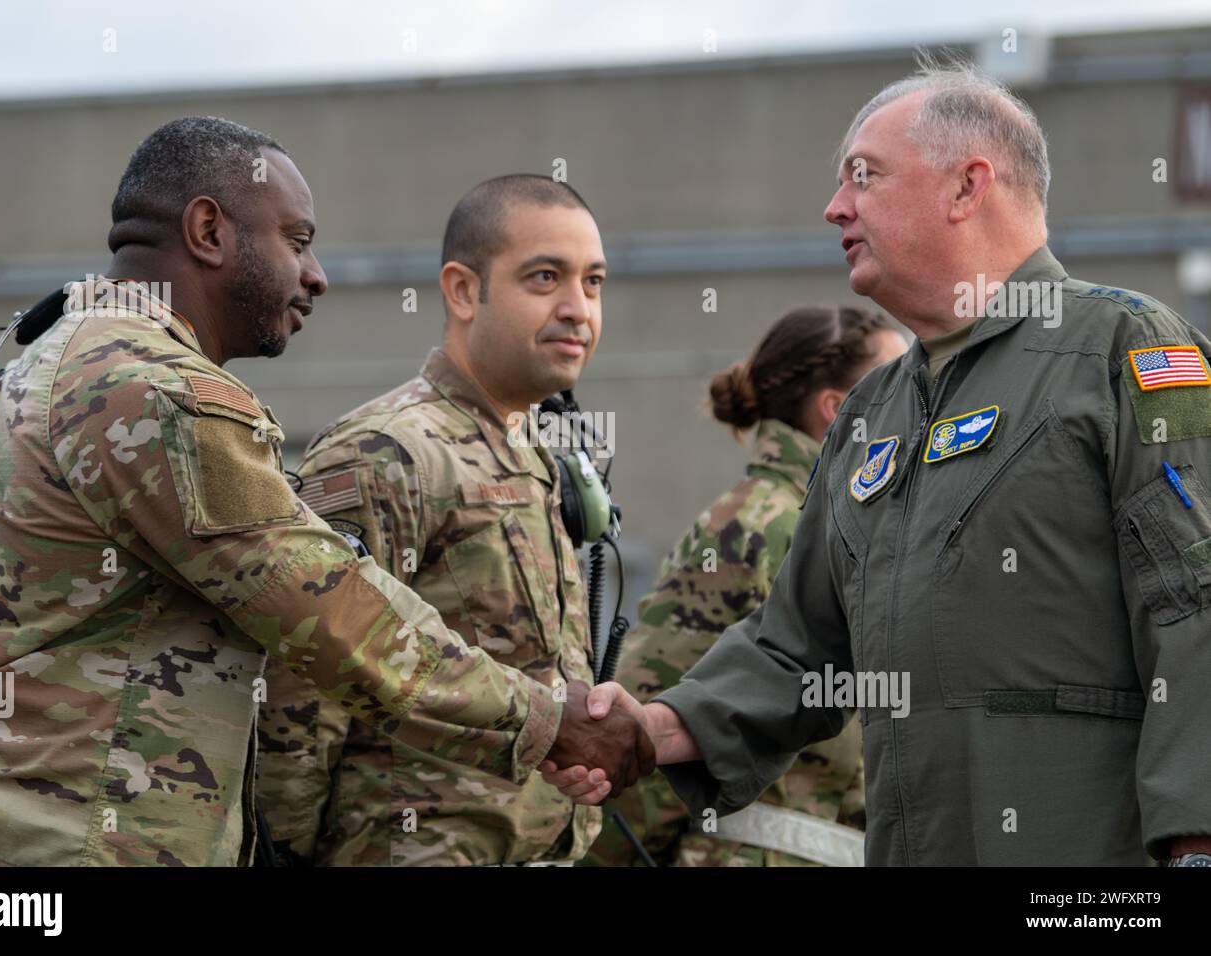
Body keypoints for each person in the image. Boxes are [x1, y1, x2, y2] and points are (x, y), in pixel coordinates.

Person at [0, 119, 652, 868]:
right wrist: (553, 724)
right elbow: (332, 615)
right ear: (208, 231)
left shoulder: (77, 350)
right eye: (297, 241)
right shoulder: (149, 388)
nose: (316, 274)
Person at [544, 58, 1211, 866]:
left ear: (968, 187)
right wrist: (651, 728)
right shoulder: (872, 412)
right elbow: (796, 644)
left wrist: (1195, 840)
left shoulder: (1127, 347)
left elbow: (1194, 607)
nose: (835, 208)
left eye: (864, 177)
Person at [257, 174, 610, 866]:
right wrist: (287, 853)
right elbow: (304, 691)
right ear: (463, 291)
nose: (578, 308)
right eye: (545, 277)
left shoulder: (536, 454)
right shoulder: (385, 451)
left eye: (593, 282)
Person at [585, 305, 905, 867]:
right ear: (837, 411)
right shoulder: (748, 528)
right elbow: (649, 726)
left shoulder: (855, 521)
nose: (918, 408)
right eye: (898, 387)